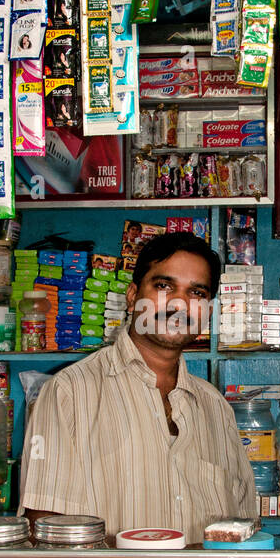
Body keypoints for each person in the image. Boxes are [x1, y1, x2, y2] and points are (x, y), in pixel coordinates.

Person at [19, 231, 257, 541]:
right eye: (163, 286)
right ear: (132, 296)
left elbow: (244, 524)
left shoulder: (215, 407)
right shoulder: (70, 392)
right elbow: (46, 528)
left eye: (197, 293)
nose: (179, 304)